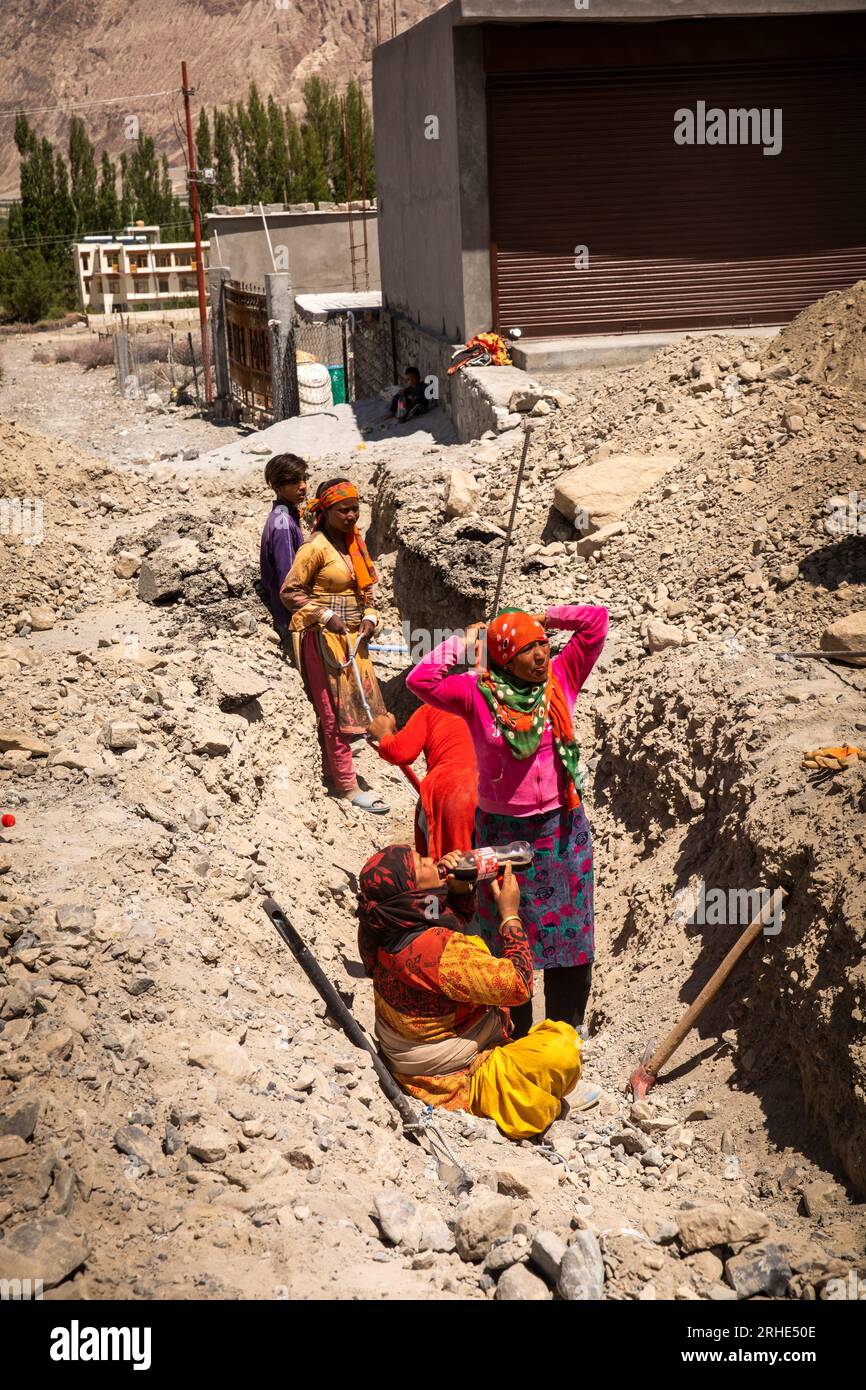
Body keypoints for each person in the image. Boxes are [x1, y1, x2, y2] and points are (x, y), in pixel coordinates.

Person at [406, 605, 608, 1039]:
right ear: (502, 657)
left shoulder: (561, 678)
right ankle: (515, 1036)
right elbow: (420, 680)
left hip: (561, 833)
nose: (541, 655)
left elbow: (596, 621)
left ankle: (564, 1035)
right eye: (526, 648)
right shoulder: (476, 694)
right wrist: (463, 641)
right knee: (507, 933)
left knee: (570, 941)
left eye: (543, 645)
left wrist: (544, 619)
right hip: (504, 836)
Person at [357, 843, 582, 1140]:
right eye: (421, 863)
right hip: (455, 1079)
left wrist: (461, 889)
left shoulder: (387, 924)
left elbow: (450, 919)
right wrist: (510, 916)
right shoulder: (436, 951)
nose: (431, 859)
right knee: (561, 1049)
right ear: (409, 889)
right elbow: (519, 986)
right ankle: (515, 1099)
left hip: (418, 1068)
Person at [280, 478, 389, 814]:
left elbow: (365, 593)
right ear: (325, 512)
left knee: (363, 704)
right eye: (343, 510)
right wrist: (326, 615)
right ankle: (346, 784)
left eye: (355, 508)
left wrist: (370, 617)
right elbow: (290, 592)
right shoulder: (315, 549)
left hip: (354, 638)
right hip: (323, 641)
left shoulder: (353, 543)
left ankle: (353, 767)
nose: (351, 515)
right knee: (333, 710)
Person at [367, 706, 478, 860]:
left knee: (451, 870)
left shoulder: (431, 708)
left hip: (452, 791)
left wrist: (383, 733)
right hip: (497, 789)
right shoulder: (497, 702)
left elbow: (399, 752)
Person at [259, 454, 308, 650]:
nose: (303, 486)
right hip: (291, 621)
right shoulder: (283, 524)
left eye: (304, 478)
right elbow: (289, 582)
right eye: (295, 481)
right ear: (278, 487)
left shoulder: (286, 516)